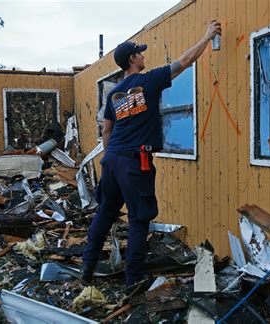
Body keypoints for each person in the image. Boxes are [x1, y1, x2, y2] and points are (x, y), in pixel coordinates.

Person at [82, 20, 222, 286]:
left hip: (111, 161)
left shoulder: (114, 95)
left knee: (105, 213)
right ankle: (133, 282)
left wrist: (111, 157)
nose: (145, 56)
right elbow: (185, 61)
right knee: (138, 220)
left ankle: (87, 270)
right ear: (133, 59)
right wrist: (207, 36)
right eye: (141, 53)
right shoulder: (149, 81)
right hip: (135, 162)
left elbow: (107, 131)